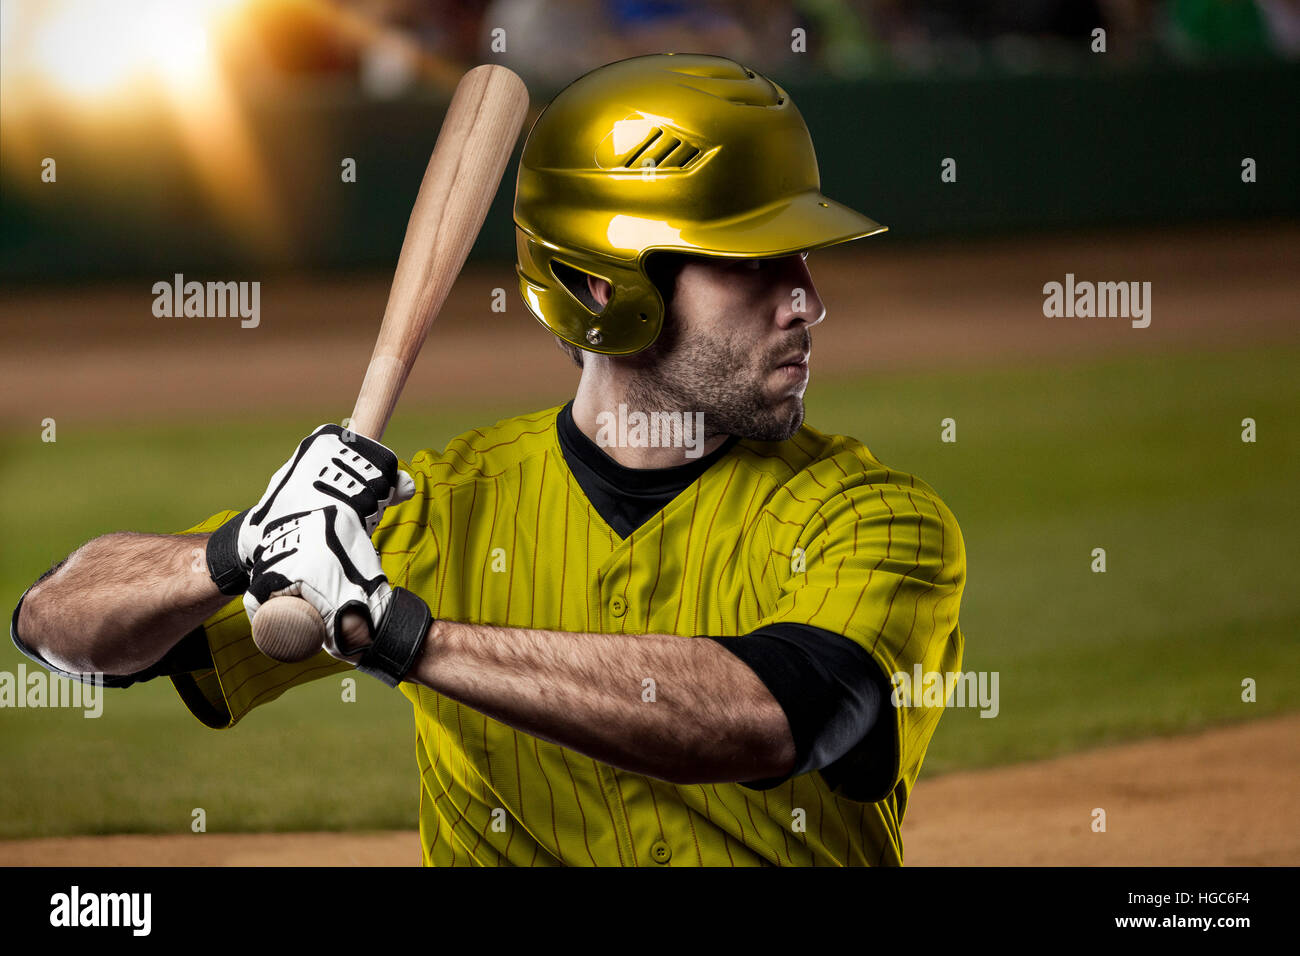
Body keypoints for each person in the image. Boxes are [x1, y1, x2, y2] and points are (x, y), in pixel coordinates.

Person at [12, 54, 965, 866]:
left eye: (802, 260)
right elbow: (57, 625)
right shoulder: (442, 507)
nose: (806, 301)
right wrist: (236, 550)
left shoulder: (875, 517)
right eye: (754, 263)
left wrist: (397, 633)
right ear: (605, 284)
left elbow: (771, 717)